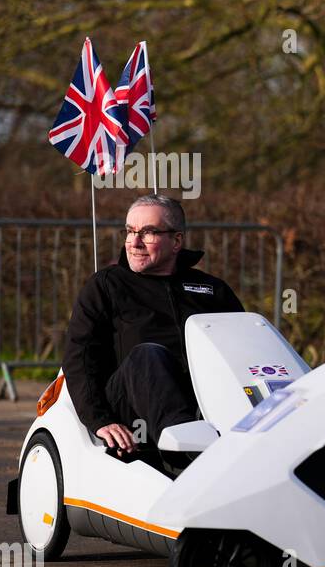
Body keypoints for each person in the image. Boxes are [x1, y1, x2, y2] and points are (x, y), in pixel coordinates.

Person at [62, 194, 243, 456]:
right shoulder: (106, 285)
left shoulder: (212, 289)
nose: (134, 243)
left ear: (177, 241)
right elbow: (80, 357)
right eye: (130, 232)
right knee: (149, 354)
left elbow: (240, 349)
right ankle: (192, 457)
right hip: (129, 403)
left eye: (148, 233)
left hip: (204, 399)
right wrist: (100, 419)